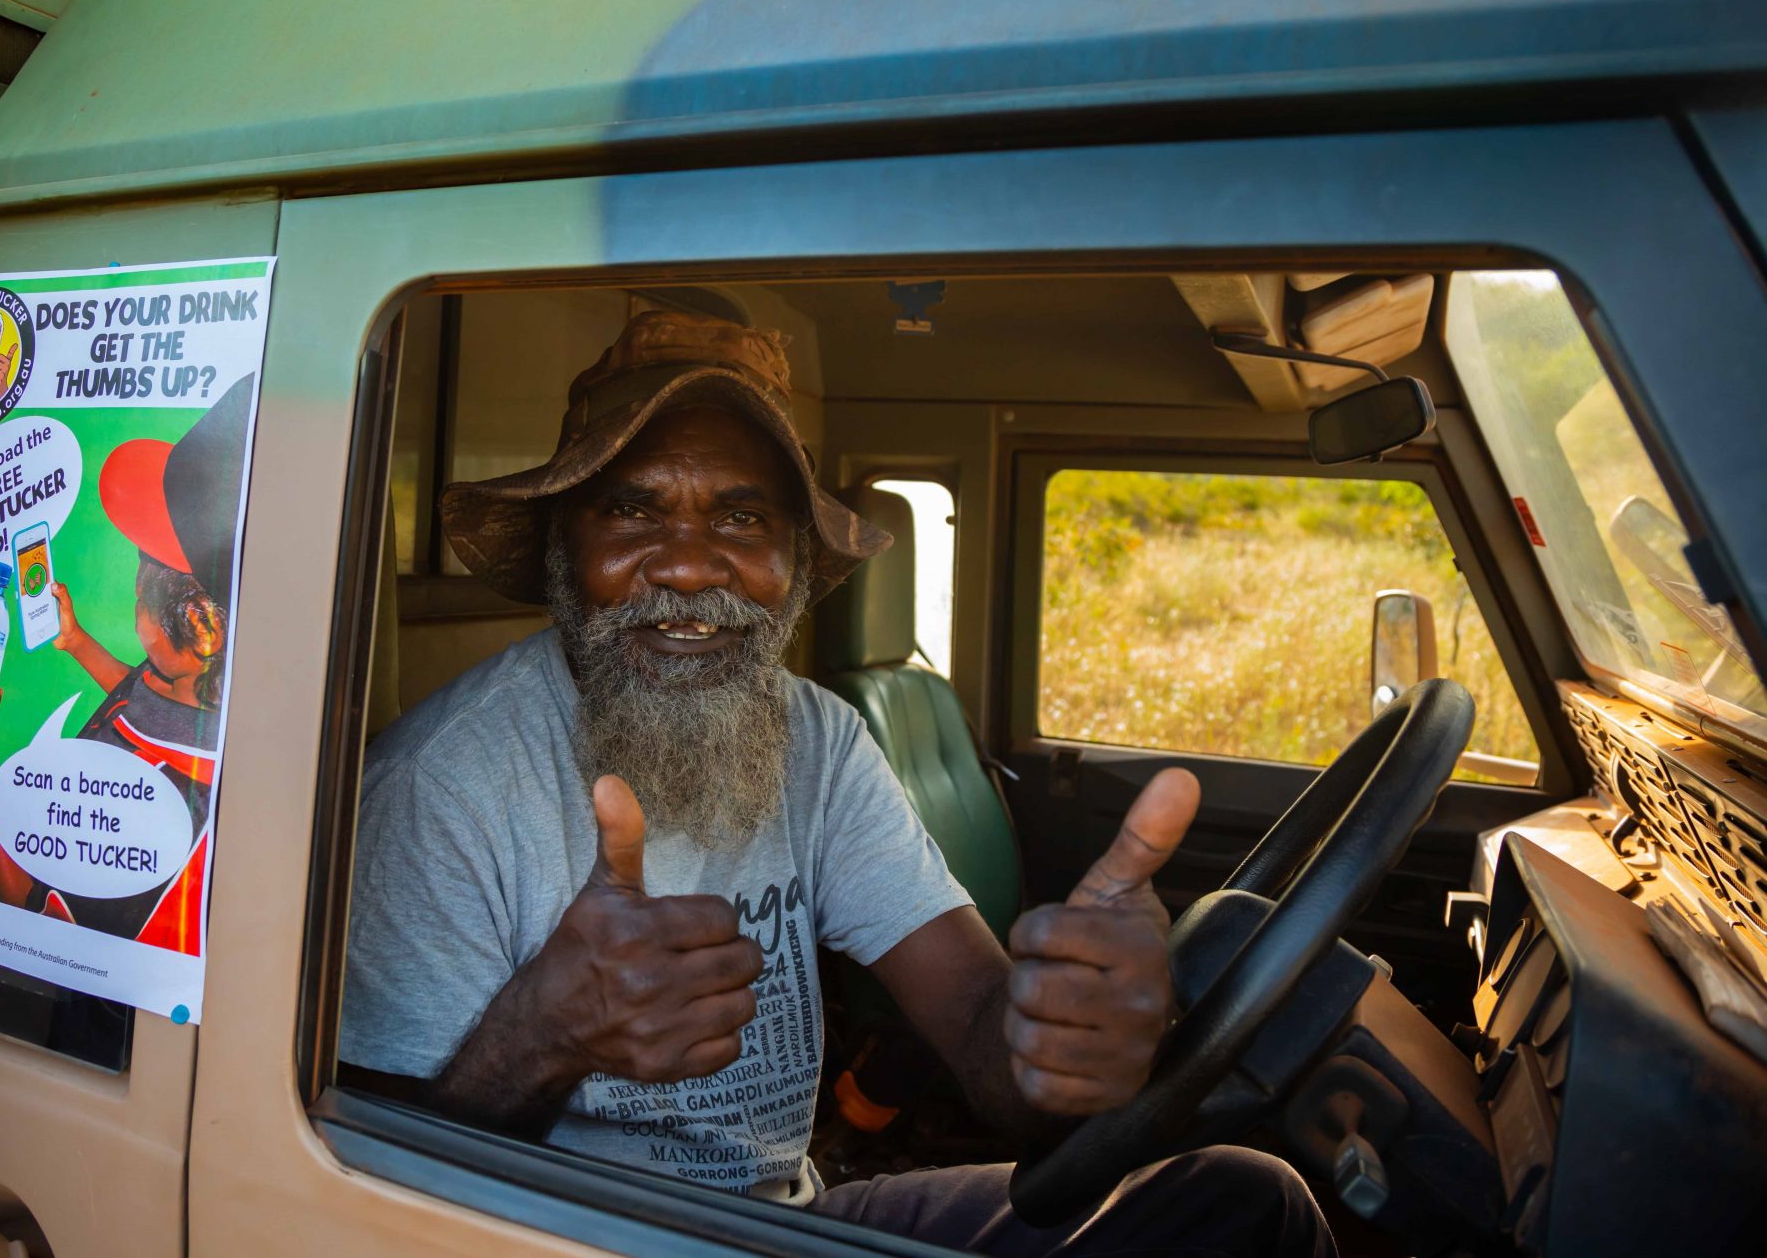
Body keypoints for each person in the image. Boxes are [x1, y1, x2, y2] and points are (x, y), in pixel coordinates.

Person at [339, 314, 1333, 1256]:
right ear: (565, 549)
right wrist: (544, 1034)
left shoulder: (817, 739)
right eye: (631, 509)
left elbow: (983, 1035)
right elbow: (349, 1200)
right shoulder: (444, 787)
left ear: (793, 564)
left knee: (1245, 1203)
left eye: (739, 516)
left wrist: (1064, 1036)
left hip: (783, 1219)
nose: (686, 566)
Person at [0, 375, 254, 950]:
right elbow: (139, 700)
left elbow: (29, 909)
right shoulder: (202, 694)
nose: (136, 611)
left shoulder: (166, 809)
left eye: (140, 599)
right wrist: (78, 642)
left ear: (206, 630)